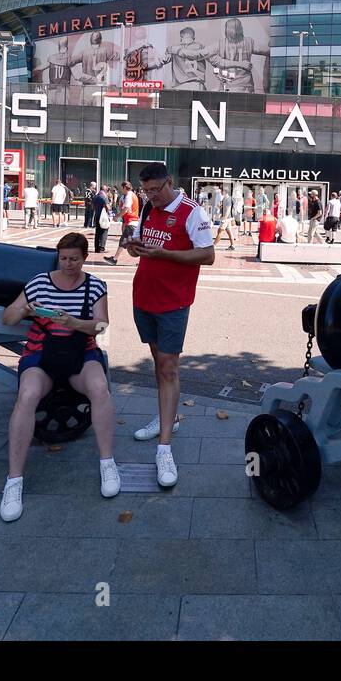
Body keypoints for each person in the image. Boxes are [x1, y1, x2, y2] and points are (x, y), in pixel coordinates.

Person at [0, 232, 117, 513]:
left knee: (100, 389)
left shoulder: (96, 285)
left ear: (85, 258)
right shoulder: (40, 282)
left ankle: (108, 462)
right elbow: (7, 317)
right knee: (27, 396)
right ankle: (13, 480)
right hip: (42, 351)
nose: (68, 264)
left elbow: (102, 326)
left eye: (74, 259)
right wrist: (25, 310)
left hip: (80, 352)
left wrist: (76, 322)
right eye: (63, 258)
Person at [124, 164, 214, 477]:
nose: (151, 196)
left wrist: (166, 255)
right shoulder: (148, 209)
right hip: (143, 296)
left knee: (168, 366)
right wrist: (134, 248)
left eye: (155, 190)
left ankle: (164, 447)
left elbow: (208, 255)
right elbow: (140, 251)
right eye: (146, 191)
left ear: (169, 182)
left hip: (173, 302)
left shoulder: (192, 211)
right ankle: (169, 418)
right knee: (158, 363)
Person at [103, 180, 141, 265]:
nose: (121, 190)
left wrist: (117, 216)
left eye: (122, 188)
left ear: (124, 187)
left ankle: (115, 259)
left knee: (128, 242)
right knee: (129, 242)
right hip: (131, 222)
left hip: (132, 222)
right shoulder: (129, 195)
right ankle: (115, 259)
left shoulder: (129, 195)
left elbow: (126, 209)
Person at [91, 183, 110, 253]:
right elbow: (108, 207)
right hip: (103, 217)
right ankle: (102, 247)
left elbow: (92, 206)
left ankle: (96, 248)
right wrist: (109, 208)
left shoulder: (96, 196)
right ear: (105, 190)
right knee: (104, 230)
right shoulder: (104, 197)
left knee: (97, 232)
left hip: (97, 216)